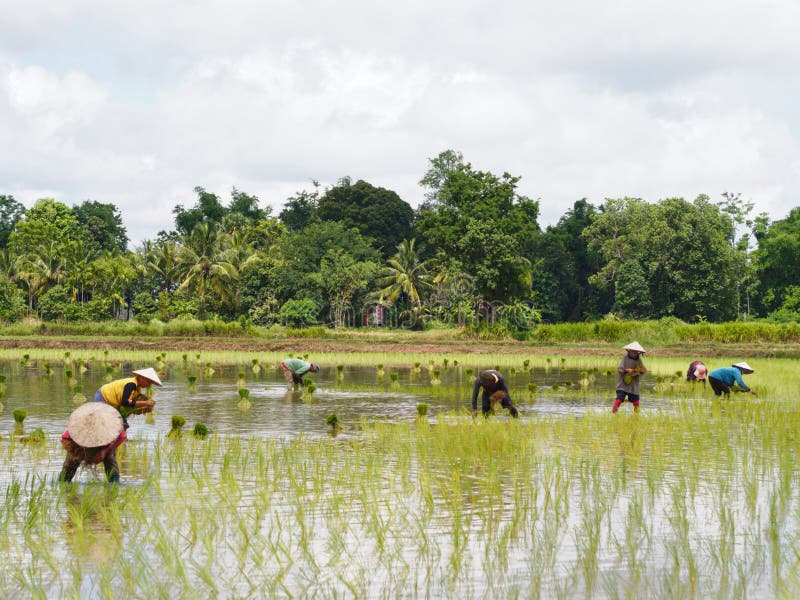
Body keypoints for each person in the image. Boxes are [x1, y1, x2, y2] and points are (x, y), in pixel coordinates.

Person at [59, 402, 127, 483]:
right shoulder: (77, 429)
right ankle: (63, 482)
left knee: (110, 460)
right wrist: (78, 451)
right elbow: (63, 438)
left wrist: (106, 451)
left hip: (106, 444)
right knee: (70, 462)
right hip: (80, 444)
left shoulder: (110, 426)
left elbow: (122, 436)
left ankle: (114, 484)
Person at [94, 368, 162, 430]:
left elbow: (131, 407)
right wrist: (145, 403)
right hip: (103, 397)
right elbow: (126, 402)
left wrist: (145, 410)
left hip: (114, 403)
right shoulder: (131, 385)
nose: (149, 385)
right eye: (148, 382)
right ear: (142, 378)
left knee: (123, 426)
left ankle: (121, 442)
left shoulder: (137, 389)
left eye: (150, 383)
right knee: (109, 426)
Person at [613, 341, 647, 413]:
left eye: (636, 351)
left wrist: (636, 371)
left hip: (633, 385)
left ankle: (636, 416)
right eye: (633, 351)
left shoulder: (639, 360)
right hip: (623, 384)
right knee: (619, 399)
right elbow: (620, 370)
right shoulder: (624, 359)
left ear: (638, 352)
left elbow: (643, 371)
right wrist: (626, 371)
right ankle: (613, 413)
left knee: (636, 402)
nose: (634, 352)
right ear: (629, 350)